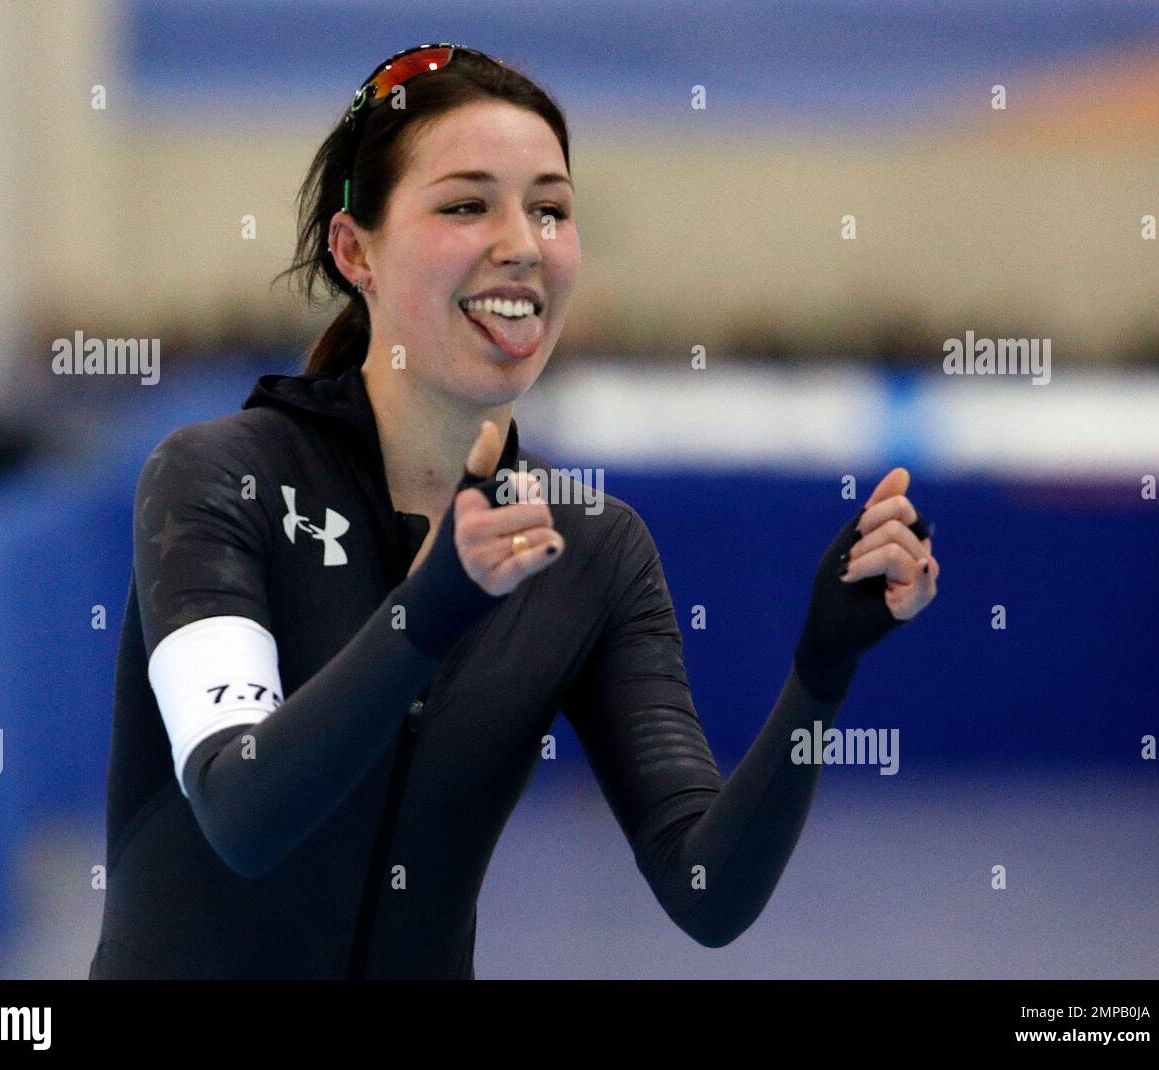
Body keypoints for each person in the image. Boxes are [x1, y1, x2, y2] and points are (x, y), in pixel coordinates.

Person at [88, 43, 939, 980]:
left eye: (550, 208)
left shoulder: (590, 550)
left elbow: (709, 892)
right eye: (465, 205)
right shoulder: (218, 477)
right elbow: (242, 814)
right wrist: (428, 610)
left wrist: (821, 675)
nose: (523, 242)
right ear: (353, 249)